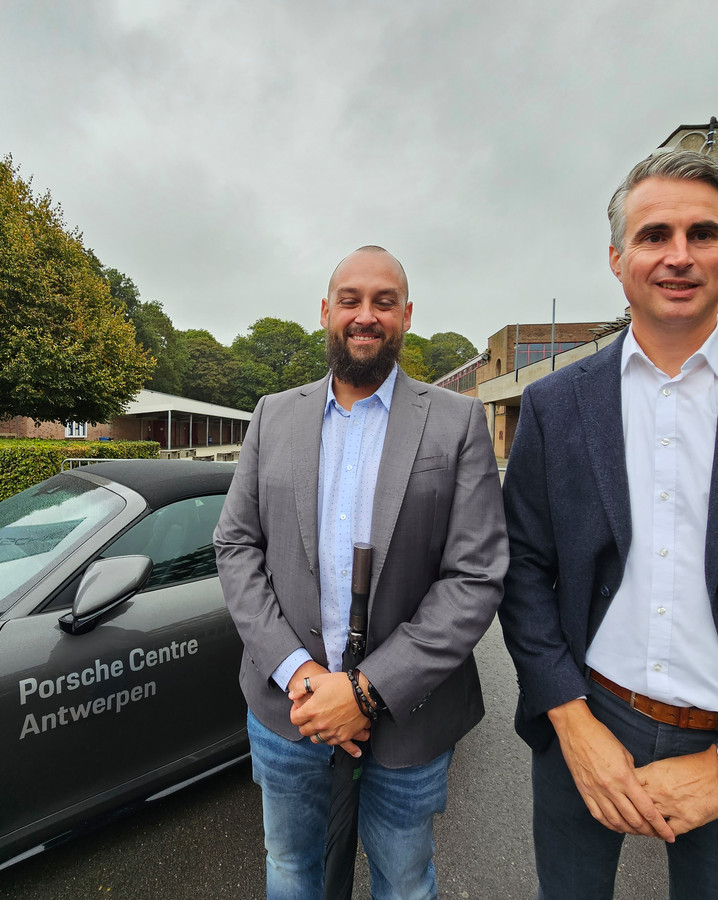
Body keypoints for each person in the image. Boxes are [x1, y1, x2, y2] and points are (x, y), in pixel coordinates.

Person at [498, 150, 718, 899]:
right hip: (588, 725)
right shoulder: (558, 405)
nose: (679, 256)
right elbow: (523, 570)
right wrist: (570, 720)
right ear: (617, 258)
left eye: (702, 233)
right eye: (655, 234)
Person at [214, 246, 507, 899]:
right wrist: (300, 674)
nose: (365, 316)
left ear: (405, 315)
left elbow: (476, 575)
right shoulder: (272, 415)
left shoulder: (457, 421)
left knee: (403, 880)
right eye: (350, 299)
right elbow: (236, 545)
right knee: (291, 870)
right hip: (289, 709)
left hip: (412, 715)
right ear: (326, 311)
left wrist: (367, 690)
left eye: (383, 301)